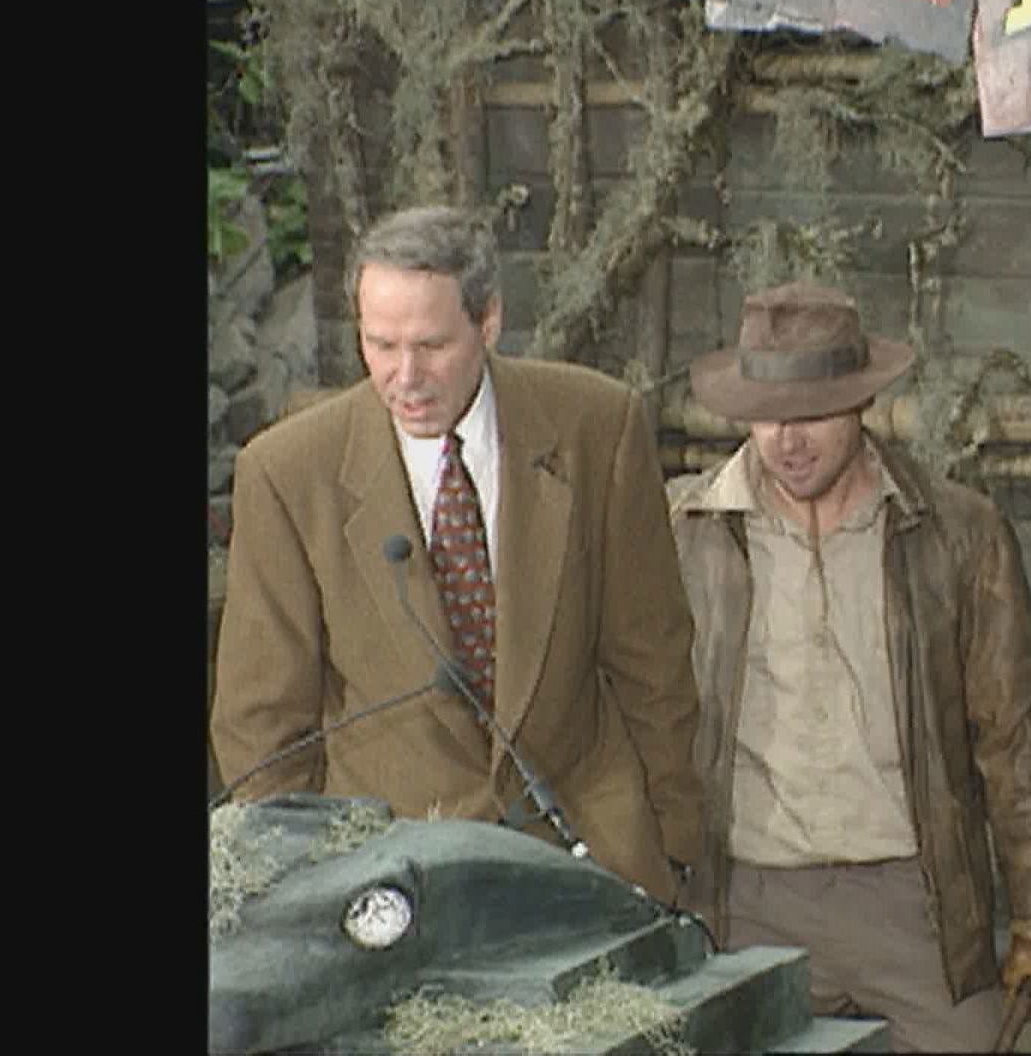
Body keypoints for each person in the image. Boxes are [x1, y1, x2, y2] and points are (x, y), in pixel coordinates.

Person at [211, 205, 706, 903]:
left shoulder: (599, 427)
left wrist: (675, 847)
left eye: (432, 346)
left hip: (590, 863)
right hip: (392, 888)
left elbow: (653, 664)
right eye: (380, 345)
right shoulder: (287, 473)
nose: (404, 376)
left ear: (489, 322)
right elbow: (261, 730)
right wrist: (304, 900)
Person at [664, 280, 1031, 1052]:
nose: (788, 441)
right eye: (769, 418)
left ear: (862, 404)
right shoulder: (685, 530)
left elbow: (1018, 727)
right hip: (744, 893)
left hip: (914, 893)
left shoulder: (954, 531)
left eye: (813, 416)